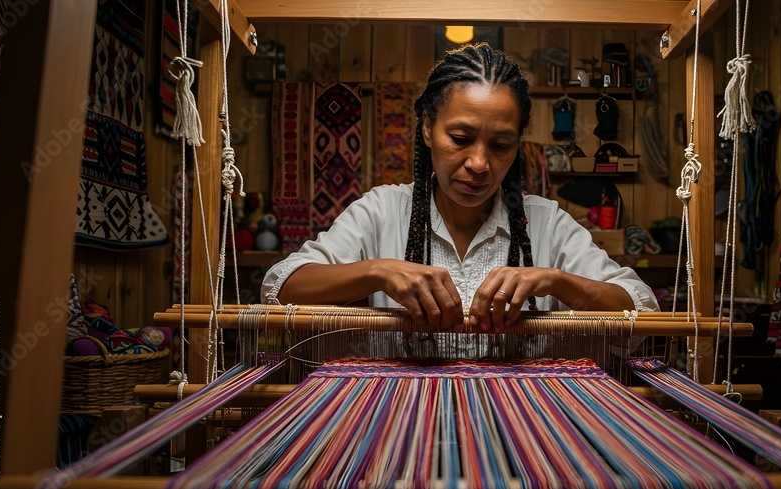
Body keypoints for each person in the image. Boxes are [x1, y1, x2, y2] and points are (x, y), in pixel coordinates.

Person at [261, 43, 659, 334]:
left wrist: (556, 281)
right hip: (402, 420)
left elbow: (643, 311)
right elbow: (280, 290)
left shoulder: (546, 223)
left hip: (518, 424)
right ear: (428, 130)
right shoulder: (382, 212)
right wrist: (378, 272)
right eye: (461, 138)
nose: (480, 164)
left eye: (501, 146)